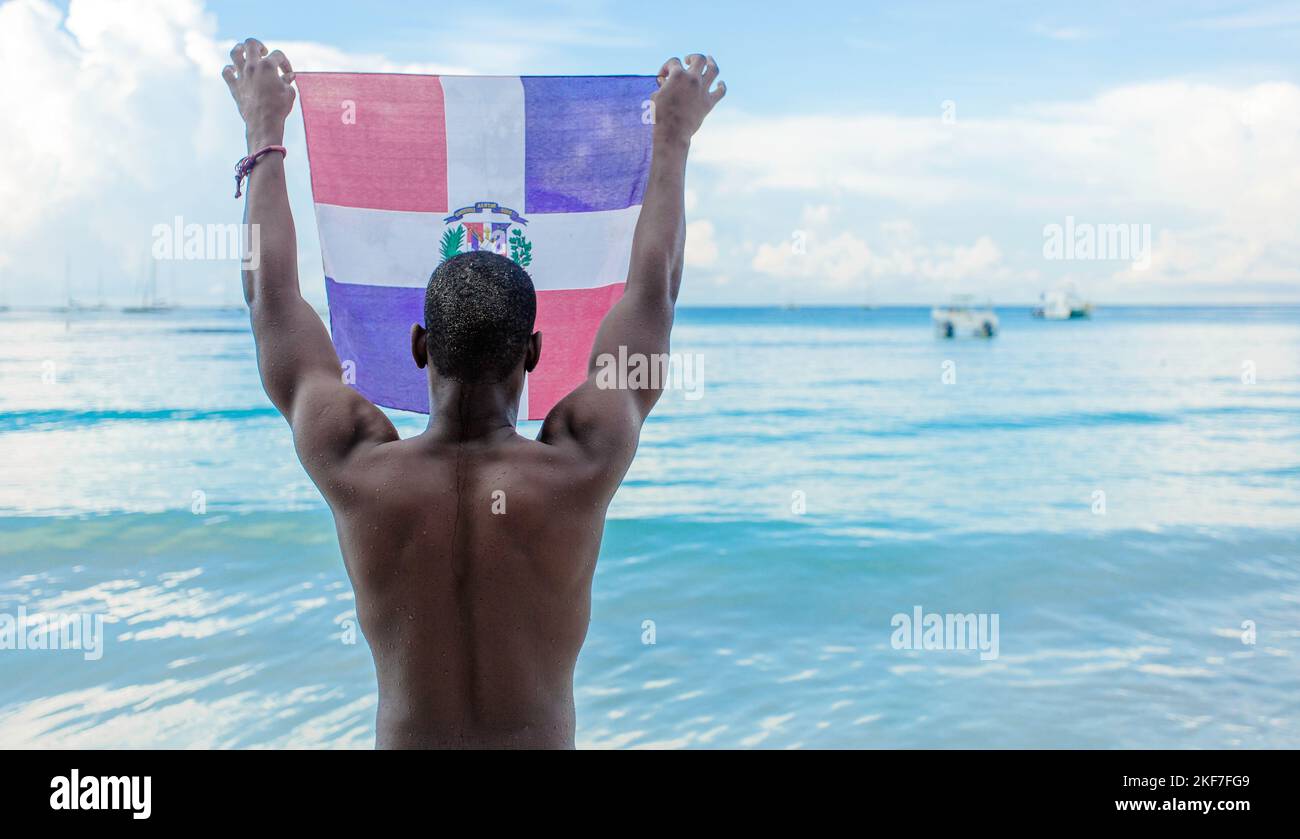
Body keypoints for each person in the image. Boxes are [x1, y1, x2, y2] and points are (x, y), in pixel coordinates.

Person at [222, 38, 725, 748]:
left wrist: (264, 131)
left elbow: (268, 298)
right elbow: (654, 293)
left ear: (420, 344)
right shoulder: (581, 462)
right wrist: (672, 137)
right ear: (535, 352)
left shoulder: (355, 463)